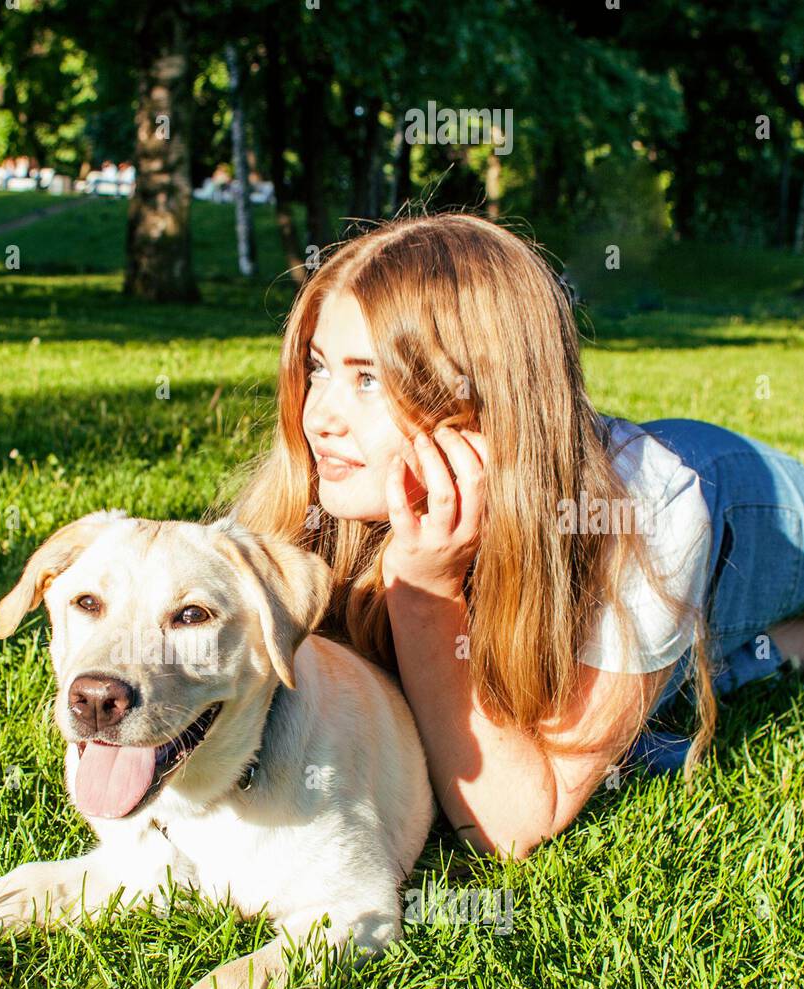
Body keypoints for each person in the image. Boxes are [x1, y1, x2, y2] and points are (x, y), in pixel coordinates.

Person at [227, 213, 804, 859]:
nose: (320, 415)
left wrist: (423, 594)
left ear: (486, 404)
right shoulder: (318, 496)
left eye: (370, 379)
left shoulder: (647, 511)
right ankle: (761, 653)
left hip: (757, 504)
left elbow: (507, 821)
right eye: (317, 367)